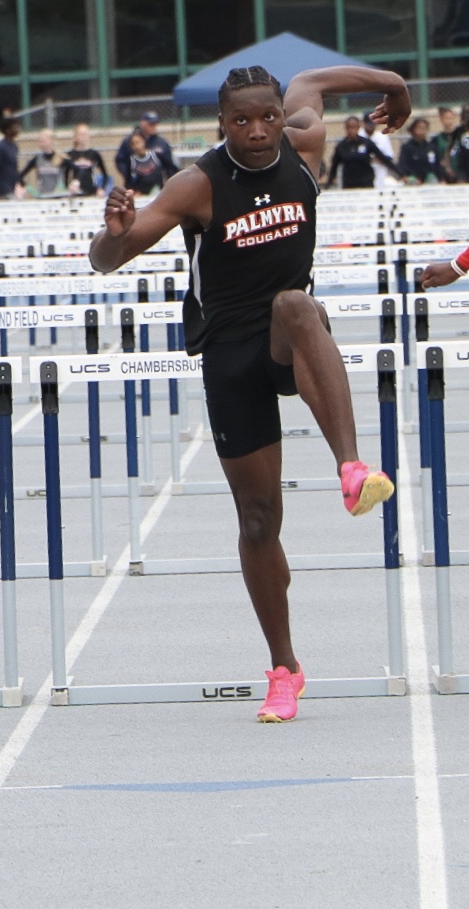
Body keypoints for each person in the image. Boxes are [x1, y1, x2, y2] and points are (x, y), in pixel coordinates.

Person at [88, 64, 405, 724]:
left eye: (266, 117)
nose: (257, 132)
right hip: (230, 356)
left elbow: (319, 77)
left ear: (280, 116)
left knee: (298, 304)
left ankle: (351, 467)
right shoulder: (197, 184)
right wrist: (114, 234)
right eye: (241, 122)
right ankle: (285, 667)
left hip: (289, 341)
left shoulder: (306, 140)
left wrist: (395, 84)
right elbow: (107, 259)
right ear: (221, 125)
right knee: (259, 522)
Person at [325, 115, 401, 189]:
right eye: (349, 127)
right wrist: (328, 184)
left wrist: (401, 174)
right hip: (349, 184)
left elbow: (384, 159)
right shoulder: (341, 146)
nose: (351, 130)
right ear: (345, 128)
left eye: (354, 127)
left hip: (366, 183)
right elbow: (334, 166)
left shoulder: (366, 143)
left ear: (359, 127)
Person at [114, 110, 179, 184]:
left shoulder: (161, 142)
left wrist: (170, 183)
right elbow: (120, 160)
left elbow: (169, 166)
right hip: (136, 185)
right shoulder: (130, 141)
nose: (154, 127)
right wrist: (128, 175)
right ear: (142, 123)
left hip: (156, 184)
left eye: (155, 124)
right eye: (151, 124)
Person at [18, 128, 69, 197]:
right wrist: (31, 190)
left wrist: (71, 185)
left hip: (58, 196)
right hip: (43, 195)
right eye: (40, 142)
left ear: (51, 141)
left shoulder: (61, 158)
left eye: (44, 141)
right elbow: (20, 176)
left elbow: (77, 170)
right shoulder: (37, 159)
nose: (41, 144)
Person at [62, 122, 109, 196]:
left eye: (86, 134)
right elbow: (65, 174)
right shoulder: (70, 155)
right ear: (76, 137)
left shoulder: (94, 154)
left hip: (91, 191)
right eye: (81, 135)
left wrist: (102, 189)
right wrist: (68, 187)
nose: (84, 137)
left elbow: (105, 174)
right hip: (76, 191)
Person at [360, 111, 400, 187]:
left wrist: (378, 158)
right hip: (363, 171)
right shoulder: (359, 136)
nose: (371, 126)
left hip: (380, 169)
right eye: (368, 124)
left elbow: (389, 156)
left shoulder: (382, 137)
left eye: (373, 123)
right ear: (364, 123)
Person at [0, 116, 22, 200]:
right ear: (7, 130)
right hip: (2, 190)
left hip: (12, 188)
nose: (18, 129)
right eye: (15, 127)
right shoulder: (1, 147)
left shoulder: (14, 146)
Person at [396, 117, 442, 184]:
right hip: (413, 181)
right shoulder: (407, 147)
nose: (421, 131)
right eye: (419, 128)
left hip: (429, 181)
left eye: (424, 128)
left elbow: (437, 165)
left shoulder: (431, 147)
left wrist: (440, 178)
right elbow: (402, 165)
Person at [432, 106, 459, 182]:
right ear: (441, 119)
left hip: (458, 173)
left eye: (450, 118)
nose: (449, 121)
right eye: (446, 118)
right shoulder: (436, 139)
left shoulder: (459, 137)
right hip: (443, 173)